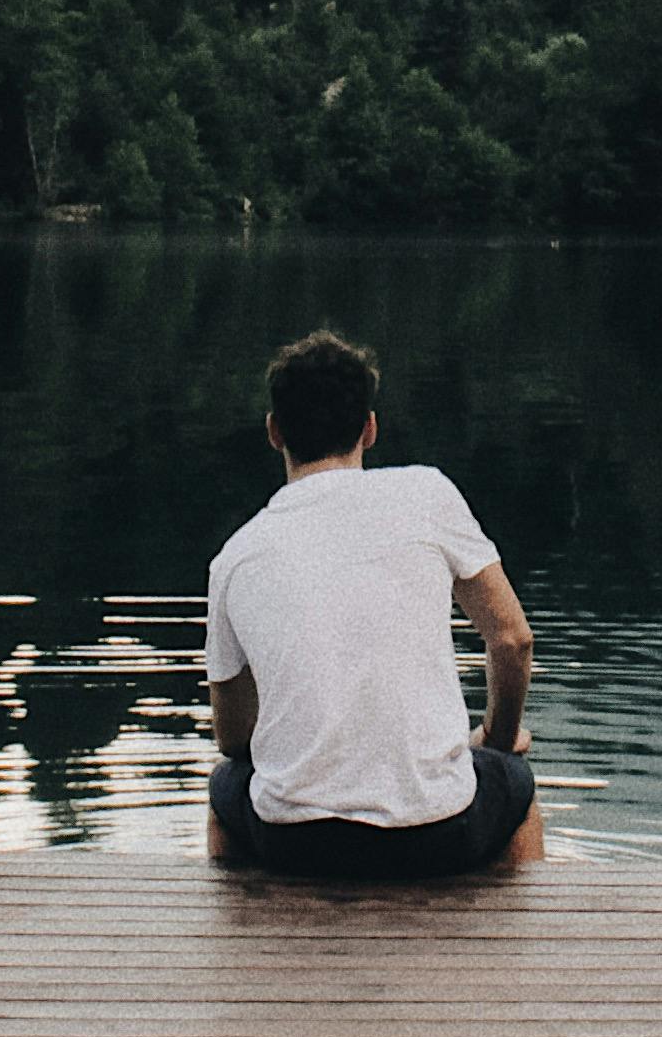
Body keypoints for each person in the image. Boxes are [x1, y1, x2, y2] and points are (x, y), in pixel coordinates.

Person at [203, 328, 540, 877]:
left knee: (225, 792)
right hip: (436, 830)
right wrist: (496, 742)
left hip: (296, 842)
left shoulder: (235, 558)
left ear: (273, 432)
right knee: (518, 792)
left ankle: (250, 948)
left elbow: (233, 737)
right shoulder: (427, 495)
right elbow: (512, 638)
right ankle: (516, 956)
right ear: (370, 428)